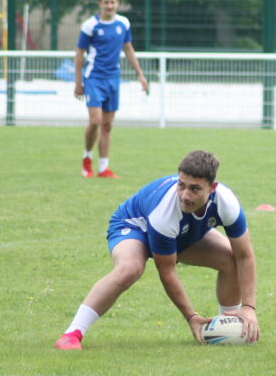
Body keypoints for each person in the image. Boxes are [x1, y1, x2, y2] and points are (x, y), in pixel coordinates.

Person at [54, 149, 259, 349]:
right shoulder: (166, 210)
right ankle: (72, 334)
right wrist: (192, 317)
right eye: (181, 185)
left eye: (194, 189)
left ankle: (230, 327)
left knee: (230, 258)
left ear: (212, 188)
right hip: (134, 225)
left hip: (180, 232)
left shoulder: (227, 202)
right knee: (130, 269)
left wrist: (248, 309)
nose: (185, 195)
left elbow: (244, 255)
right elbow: (167, 271)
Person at [74, 0, 149, 178]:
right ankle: (87, 157)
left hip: (113, 79)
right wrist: (78, 82)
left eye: (113, 2)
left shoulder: (123, 23)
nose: (110, 6)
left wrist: (140, 75)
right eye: (106, 2)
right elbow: (79, 54)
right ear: (100, 3)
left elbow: (129, 49)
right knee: (96, 120)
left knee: (107, 125)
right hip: (94, 78)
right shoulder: (90, 25)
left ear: (117, 3)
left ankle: (103, 168)